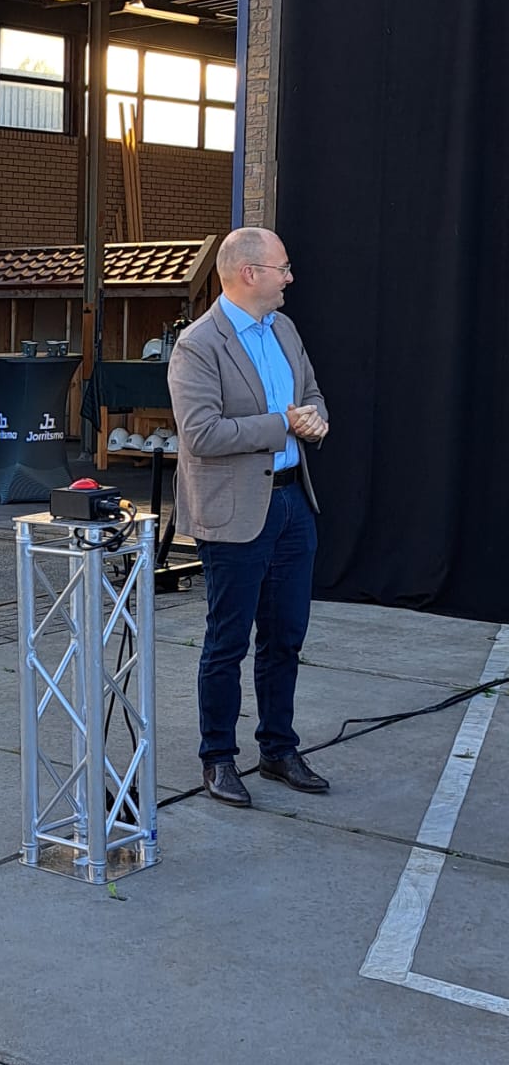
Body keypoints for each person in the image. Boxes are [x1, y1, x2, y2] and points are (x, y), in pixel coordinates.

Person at [168, 226, 330, 808]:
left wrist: (315, 419)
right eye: (282, 268)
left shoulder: (284, 329)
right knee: (227, 641)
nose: (290, 277)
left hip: (292, 503)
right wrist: (285, 423)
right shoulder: (197, 344)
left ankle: (278, 748)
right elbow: (202, 434)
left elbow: (311, 396)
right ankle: (217, 758)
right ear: (248, 274)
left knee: (286, 636)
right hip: (236, 514)